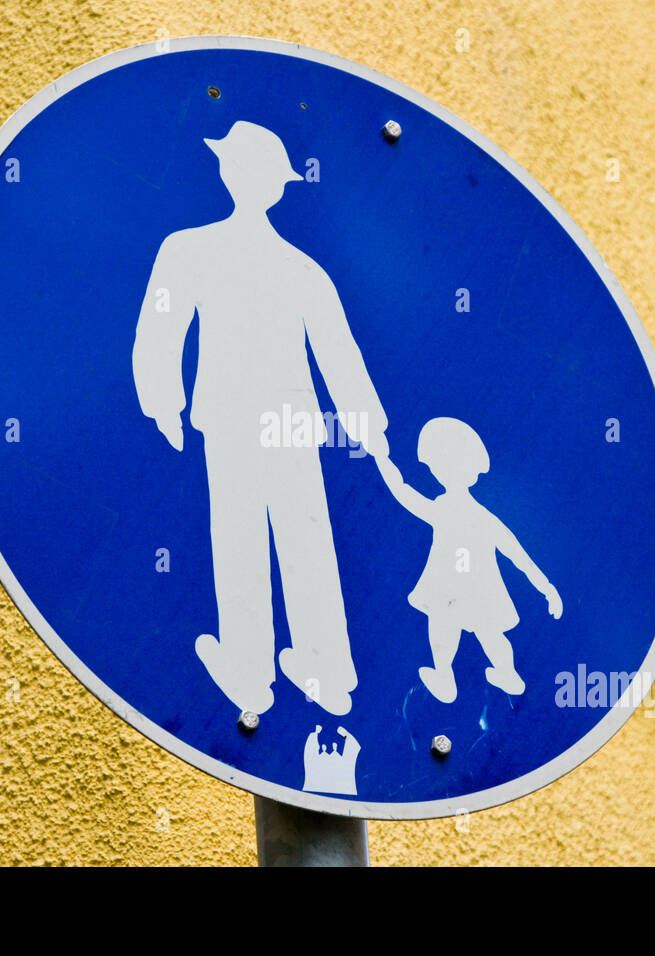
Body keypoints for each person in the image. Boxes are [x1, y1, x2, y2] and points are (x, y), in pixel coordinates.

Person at [132, 121, 388, 717]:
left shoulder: (188, 248)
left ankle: (250, 671)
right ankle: (328, 668)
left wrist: (164, 404)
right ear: (277, 188)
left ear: (228, 173)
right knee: (306, 537)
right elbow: (340, 358)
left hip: (231, 416)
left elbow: (159, 335)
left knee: (241, 535)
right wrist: (368, 427)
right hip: (292, 421)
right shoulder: (302, 268)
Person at [374, 417, 562, 703]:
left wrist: (382, 459)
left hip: (450, 587)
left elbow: (405, 494)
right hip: (481, 589)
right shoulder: (485, 518)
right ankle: (506, 672)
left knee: (442, 625)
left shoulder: (445, 509)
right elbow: (519, 556)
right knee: (489, 633)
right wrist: (547, 588)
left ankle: (445, 676)